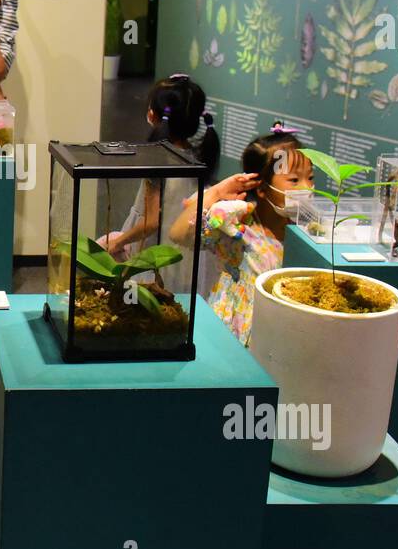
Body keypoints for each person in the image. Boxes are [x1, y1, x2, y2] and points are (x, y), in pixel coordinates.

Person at [167, 128, 313, 345]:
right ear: (262, 187)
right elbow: (178, 233)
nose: (307, 188)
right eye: (294, 180)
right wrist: (217, 192)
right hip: (233, 337)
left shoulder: (308, 232)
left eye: (310, 178)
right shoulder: (239, 226)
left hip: (281, 336)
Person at [104, 73, 219, 269]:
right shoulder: (198, 158)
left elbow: (151, 222)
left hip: (156, 253)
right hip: (187, 254)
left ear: (153, 115)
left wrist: (118, 242)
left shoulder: (158, 162)